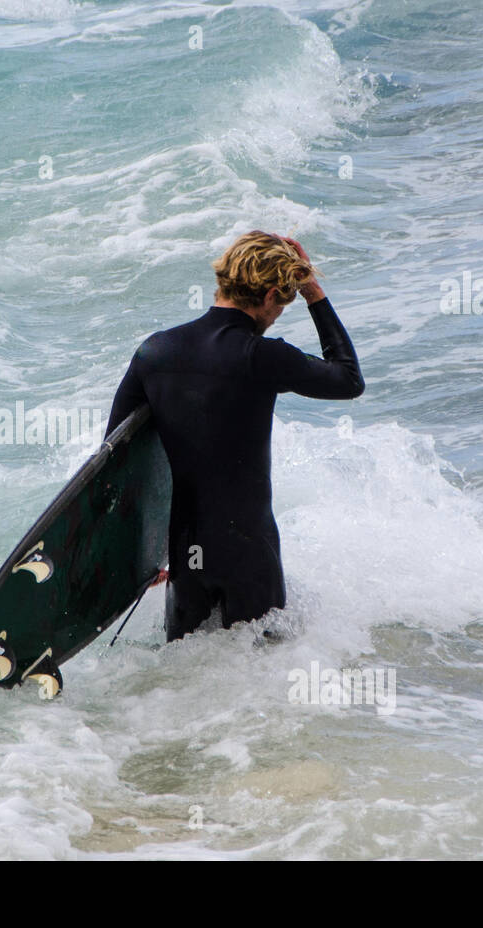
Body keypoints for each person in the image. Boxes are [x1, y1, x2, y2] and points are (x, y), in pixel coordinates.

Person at [105, 231, 365, 641]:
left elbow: (119, 460)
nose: (279, 314)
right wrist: (314, 293)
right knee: (262, 681)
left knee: (183, 678)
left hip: (186, 557)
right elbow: (348, 379)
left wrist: (142, 556)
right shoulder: (261, 356)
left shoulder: (154, 352)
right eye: (285, 303)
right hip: (249, 553)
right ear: (271, 294)